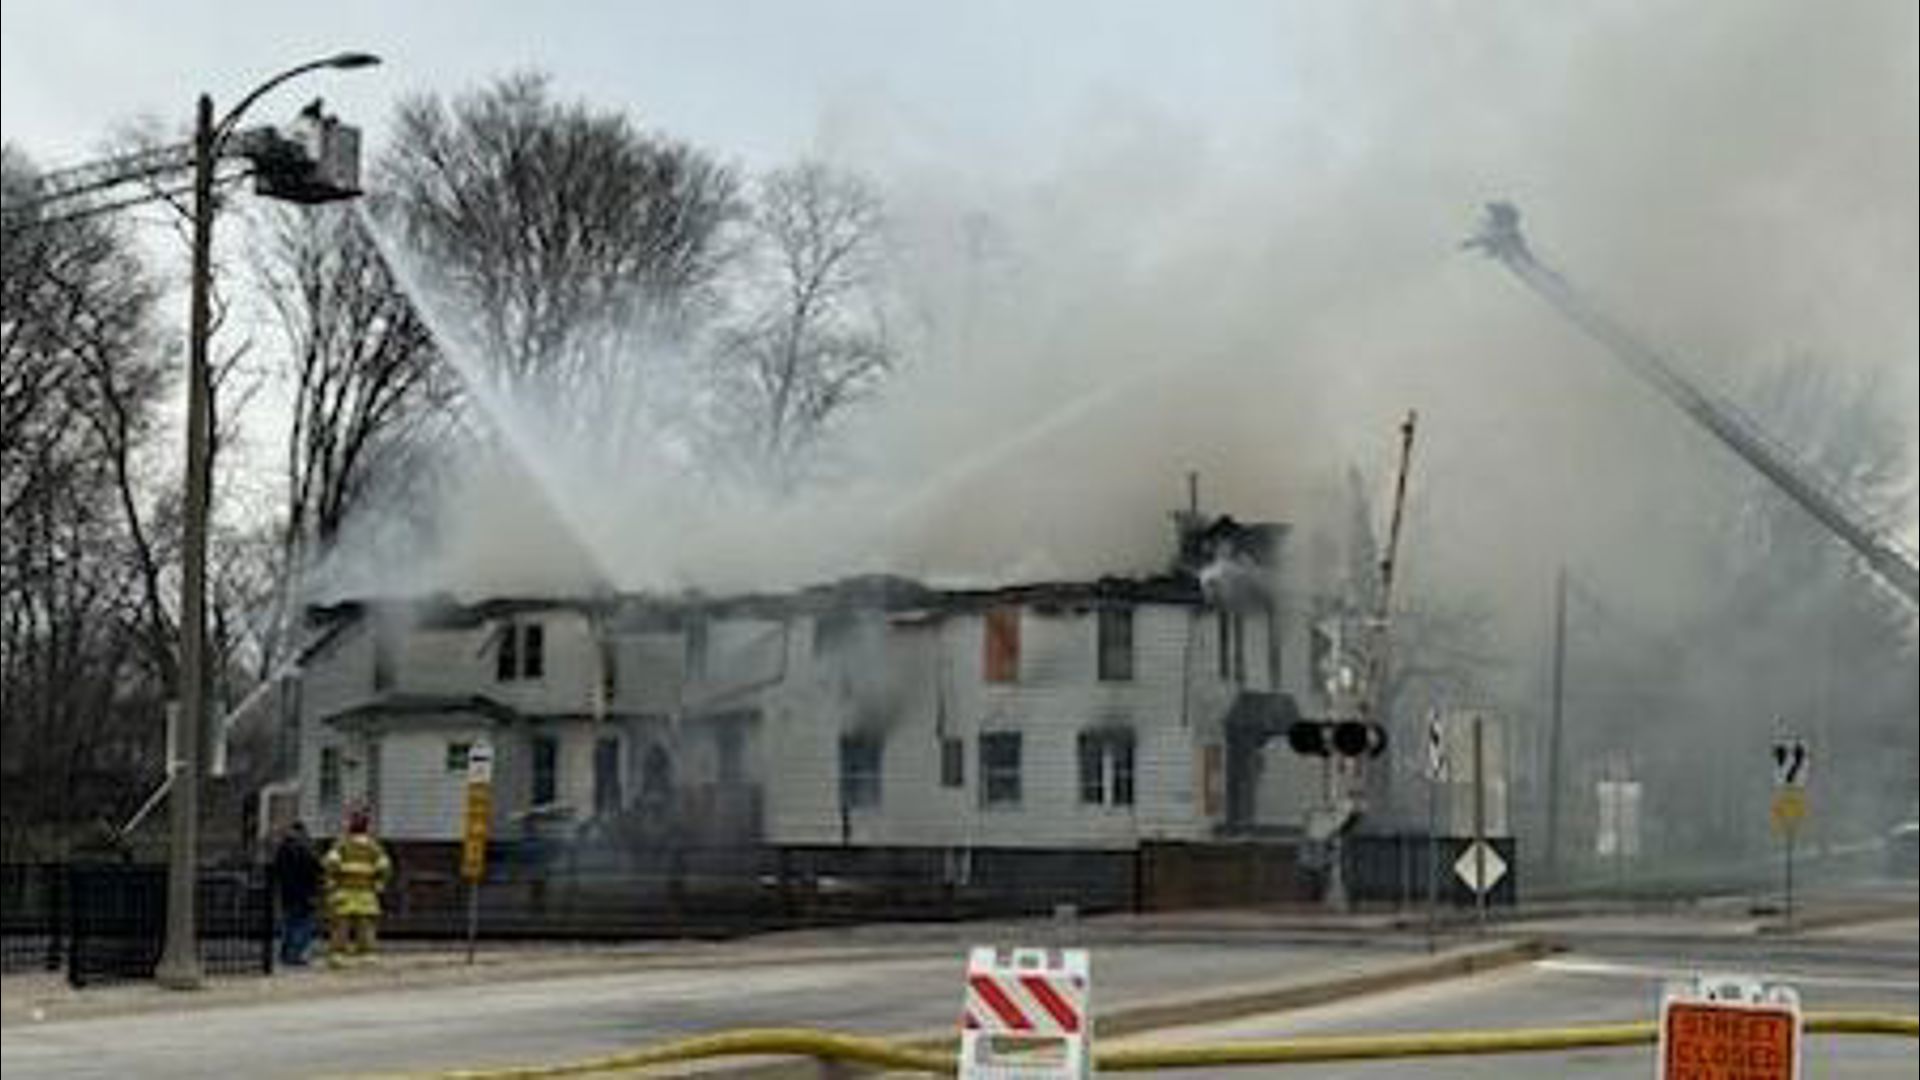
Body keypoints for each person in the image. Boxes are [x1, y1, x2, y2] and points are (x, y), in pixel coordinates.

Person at [323, 808, 392, 966]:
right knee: (366, 926)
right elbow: (385, 866)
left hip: (344, 891)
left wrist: (332, 881)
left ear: (349, 828)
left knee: (341, 926)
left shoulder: (341, 845)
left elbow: (330, 864)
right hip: (366, 893)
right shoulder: (374, 847)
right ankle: (367, 954)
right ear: (367, 828)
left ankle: (338, 955)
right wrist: (379, 883)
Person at [271, 821, 323, 966]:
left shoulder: (282, 849)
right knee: (303, 926)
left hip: (287, 894)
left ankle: (285, 954)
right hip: (305, 894)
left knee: (288, 925)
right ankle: (294, 955)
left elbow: (277, 872)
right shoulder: (305, 849)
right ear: (301, 832)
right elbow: (317, 869)